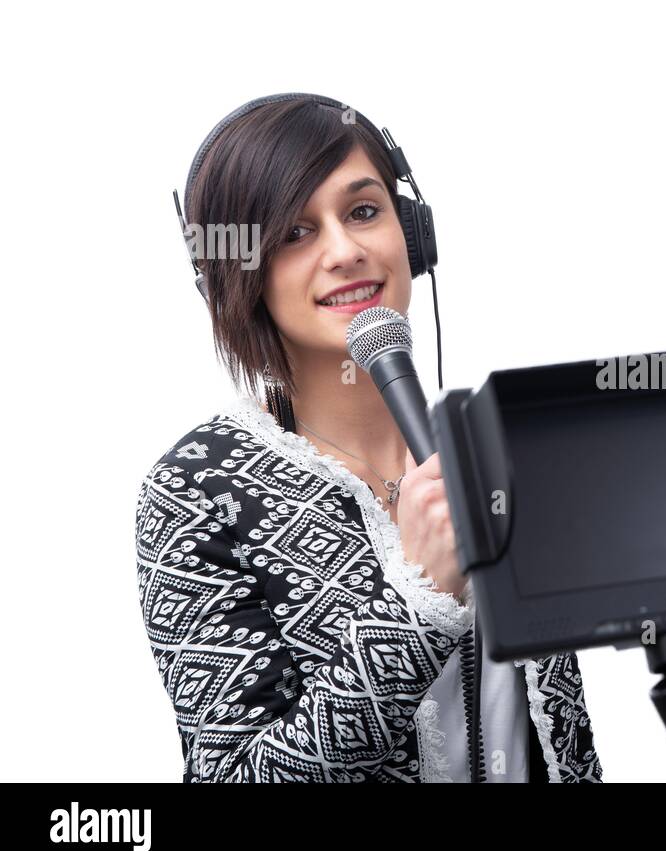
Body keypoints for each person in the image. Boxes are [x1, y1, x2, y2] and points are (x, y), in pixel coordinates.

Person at [135, 94, 602, 782]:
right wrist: (419, 603)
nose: (346, 251)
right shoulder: (195, 491)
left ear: (411, 231)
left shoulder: (493, 447)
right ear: (236, 272)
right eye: (294, 232)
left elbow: (566, 740)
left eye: (362, 211)